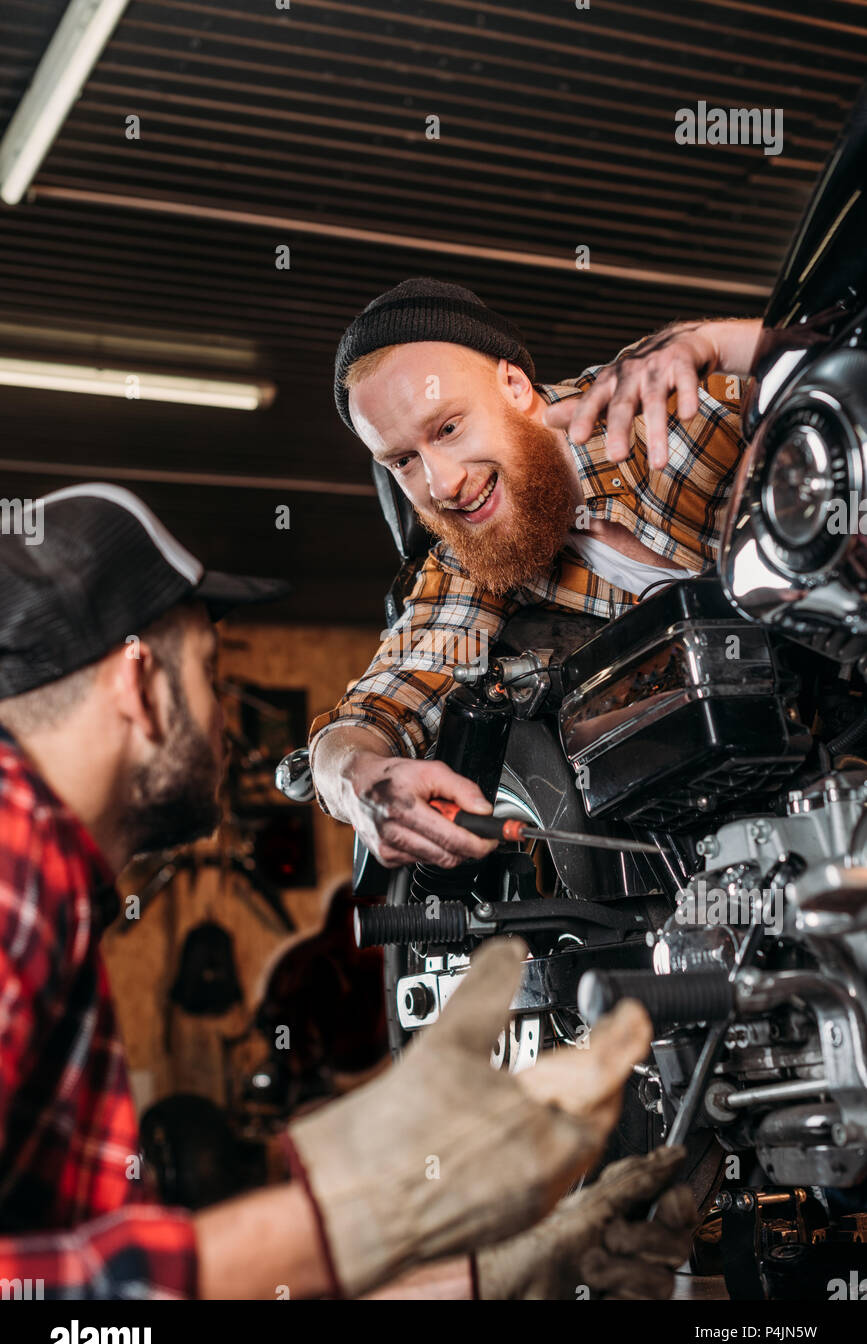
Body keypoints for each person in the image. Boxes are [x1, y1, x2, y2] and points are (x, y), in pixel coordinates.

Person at [0, 483, 695, 1300]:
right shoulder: (17, 857)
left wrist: (484, 1279)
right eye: (210, 673)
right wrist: (360, 1213)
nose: (225, 720)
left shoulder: (55, 882)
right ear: (137, 682)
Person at [310, 278, 762, 870]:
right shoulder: (474, 558)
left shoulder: (669, 408)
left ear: (515, 385)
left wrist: (726, 342)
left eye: (447, 428)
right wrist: (363, 779)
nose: (442, 484)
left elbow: (837, 360)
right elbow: (379, 707)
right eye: (404, 460)